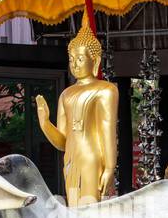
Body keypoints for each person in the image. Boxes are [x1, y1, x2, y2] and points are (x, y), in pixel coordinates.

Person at [35, 16, 118, 206]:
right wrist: (45, 123)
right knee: (73, 210)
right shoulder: (66, 94)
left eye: (80, 59)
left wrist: (110, 167)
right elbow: (62, 142)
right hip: (70, 158)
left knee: (90, 210)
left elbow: (108, 131)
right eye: (72, 59)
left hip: (92, 158)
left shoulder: (106, 90)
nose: (75, 64)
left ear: (95, 60)